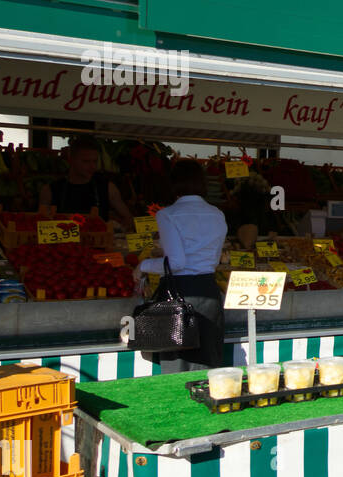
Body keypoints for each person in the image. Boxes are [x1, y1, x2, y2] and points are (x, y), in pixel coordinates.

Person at [133, 159, 227, 371]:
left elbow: (176, 262)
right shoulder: (217, 214)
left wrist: (144, 265)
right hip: (209, 293)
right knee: (208, 362)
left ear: (173, 184)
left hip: (179, 294)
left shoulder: (167, 215)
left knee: (178, 365)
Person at [39, 135, 134, 228]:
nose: (92, 166)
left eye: (95, 161)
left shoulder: (108, 188)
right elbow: (42, 224)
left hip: (97, 241)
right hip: (64, 243)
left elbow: (128, 219)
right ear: (71, 160)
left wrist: (117, 232)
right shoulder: (50, 190)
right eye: (86, 161)